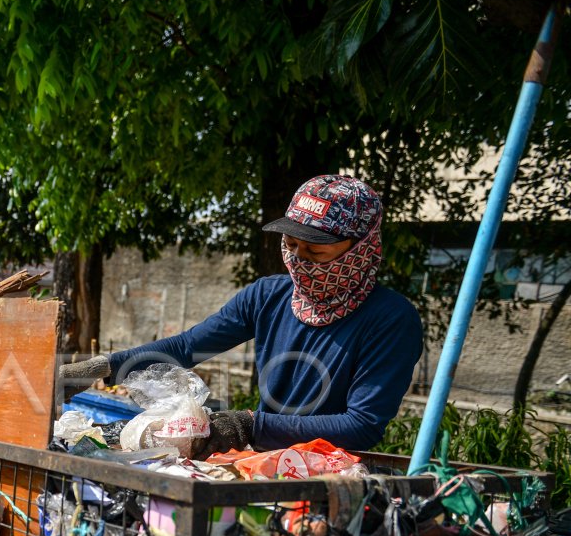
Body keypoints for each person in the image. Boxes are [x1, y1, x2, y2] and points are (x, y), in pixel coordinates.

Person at [59, 174, 422, 458]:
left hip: (328, 469)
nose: (298, 259)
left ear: (360, 249)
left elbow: (361, 424)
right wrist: (100, 368)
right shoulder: (269, 295)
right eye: (291, 245)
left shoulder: (390, 319)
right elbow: (189, 347)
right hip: (260, 459)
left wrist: (250, 424)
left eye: (315, 250)